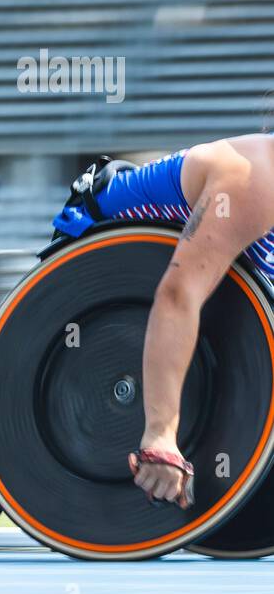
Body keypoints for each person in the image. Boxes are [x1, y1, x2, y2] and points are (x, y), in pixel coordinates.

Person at [58, 134, 274, 508]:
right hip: (98, 268)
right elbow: (177, 296)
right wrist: (160, 436)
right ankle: (160, 430)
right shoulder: (255, 178)